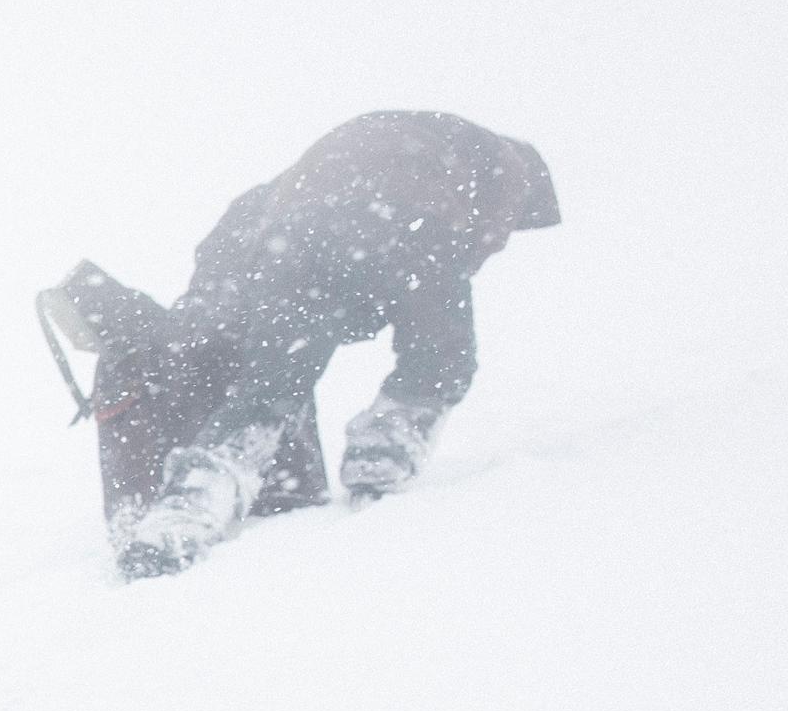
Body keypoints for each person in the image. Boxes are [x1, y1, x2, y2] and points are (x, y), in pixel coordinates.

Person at [40, 110, 561, 580]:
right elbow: (463, 255)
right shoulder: (502, 165)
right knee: (440, 357)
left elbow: (240, 234)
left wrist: (240, 306)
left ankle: (184, 512)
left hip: (294, 239)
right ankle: (384, 451)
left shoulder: (343, 158)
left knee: (268, 389)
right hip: (400, 220)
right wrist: (402, 286)